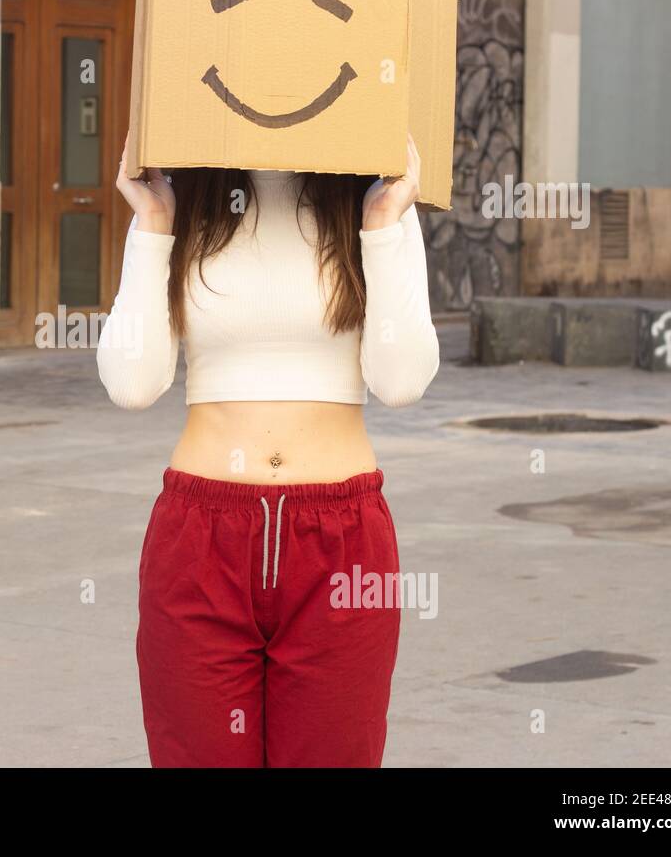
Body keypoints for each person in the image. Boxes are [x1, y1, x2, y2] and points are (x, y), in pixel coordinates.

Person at [97, 135, 439, 767]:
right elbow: (132, 382)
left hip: (341, 546)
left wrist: (384, 225)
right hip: (201, 541)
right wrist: (152, 224)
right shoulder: (184, 195)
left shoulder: (374, 193)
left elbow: (401, 380)